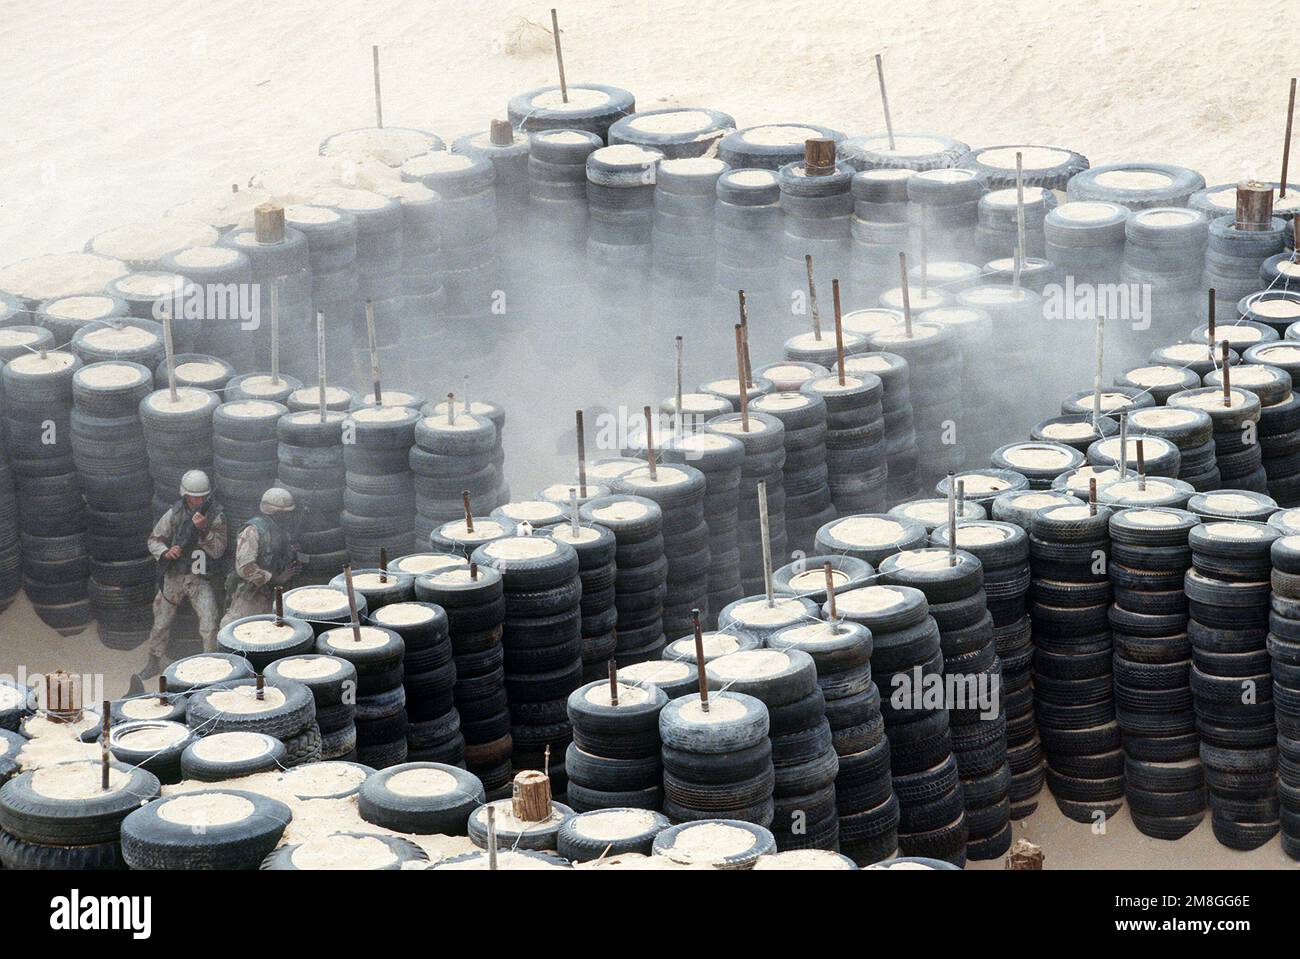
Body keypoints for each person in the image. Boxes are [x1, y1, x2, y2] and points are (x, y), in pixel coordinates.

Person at [134, 470, 228, 689]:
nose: (199, 500)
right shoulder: (174, 514)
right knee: (161, 622)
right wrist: (167, 552)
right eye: (195, 497)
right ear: (185, 495)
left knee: (209, 623)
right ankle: (153, 661)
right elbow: (154, 540)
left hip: (200, 577)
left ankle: (211, 664)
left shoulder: (216, 516)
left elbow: (218, 551)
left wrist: (204, 530)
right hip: (175, 574)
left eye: (203, 497)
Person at [220, 486, 301, 627]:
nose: (288, 516)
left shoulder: (282, 530)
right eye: (284, 513)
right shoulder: (253, 530)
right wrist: (276, 579)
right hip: (252, 594)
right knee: (234, 630)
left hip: (274, 595)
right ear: (274, 512)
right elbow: (245, 568)